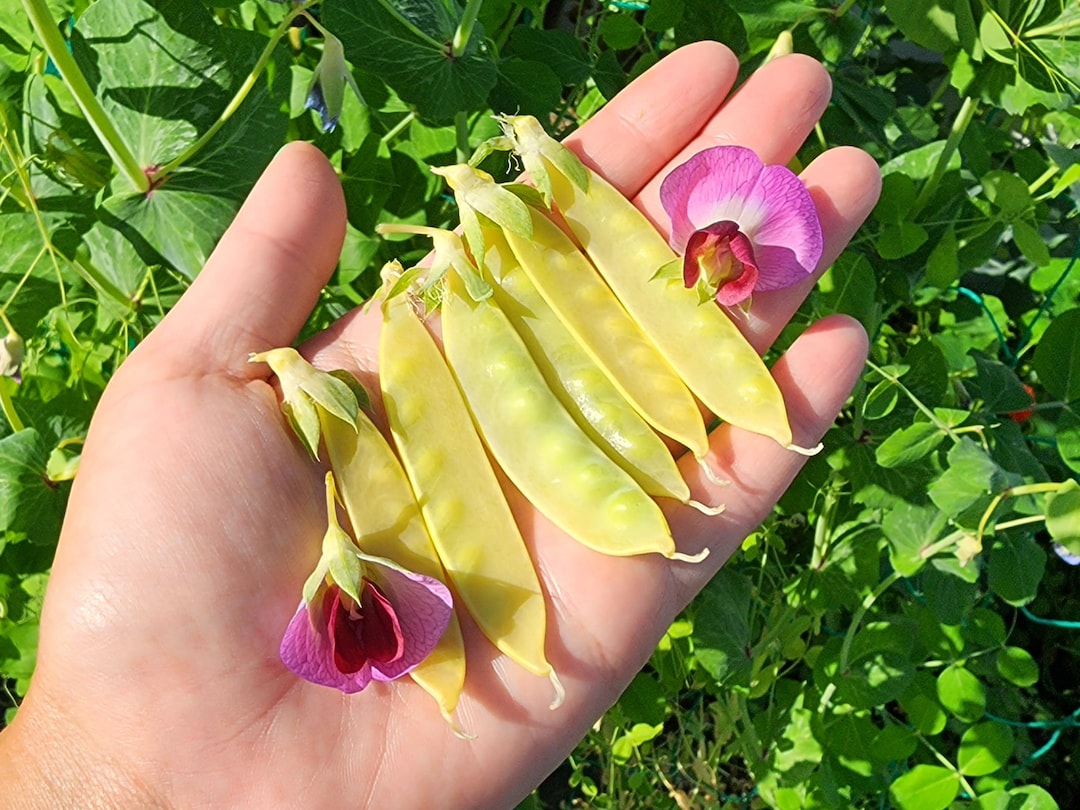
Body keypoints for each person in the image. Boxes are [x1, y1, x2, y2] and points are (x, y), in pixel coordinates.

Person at [0, 41, 880, 809]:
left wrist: (100, 772)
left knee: (613, 388)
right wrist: (105, 767)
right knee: (516, 420)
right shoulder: (422, 356)